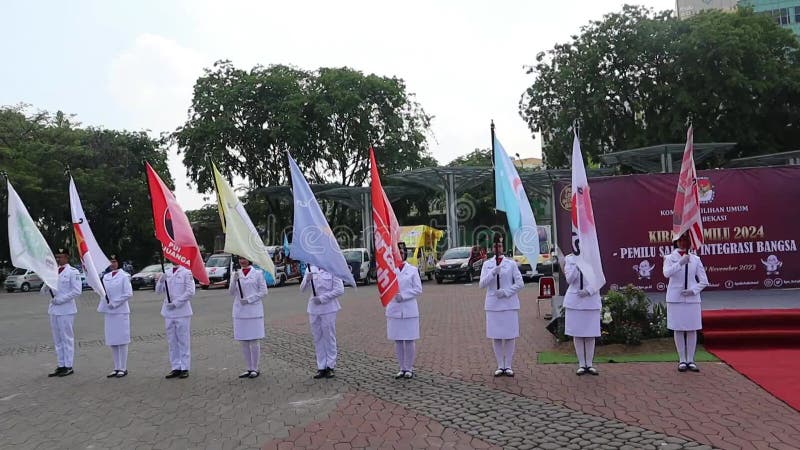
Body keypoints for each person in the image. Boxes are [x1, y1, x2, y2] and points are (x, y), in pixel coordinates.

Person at [663, 232, 709, 372]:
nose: (683, 242)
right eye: (680, 240)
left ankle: (691, 359)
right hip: (675, 298)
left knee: (691, 328)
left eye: (686, 240)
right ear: (676, 242)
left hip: (691, 299)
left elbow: (704, 281)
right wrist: (680, 263)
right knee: (678, 328)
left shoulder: (695, 259)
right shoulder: (669, 258)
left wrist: (693, 290)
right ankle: (682, 359)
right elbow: (667, 273)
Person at [479, 234, 524, 377]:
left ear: (503, 247)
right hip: (493, 304)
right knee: (496, 336)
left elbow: (520, 283)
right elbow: (482, 284)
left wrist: (505, 292)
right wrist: (493, 272)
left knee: (510, 336)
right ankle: (500, 365)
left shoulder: (511, 264)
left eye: (499, 246)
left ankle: (508, 365)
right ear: (492, 248)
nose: (497, 248)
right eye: (495, 246)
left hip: (508, 303)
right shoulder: (487, 264)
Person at [41, 248, 82, 377]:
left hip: (66, 309)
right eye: (57, 257)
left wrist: (61, 300)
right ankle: (61, 364)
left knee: (66, 338)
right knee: (57, 339)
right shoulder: (53, 272)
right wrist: (46, 283)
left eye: (61, 257)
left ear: (67, 257)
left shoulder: (72, 272)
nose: (58, 259)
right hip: (54, 310)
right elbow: (43, 292)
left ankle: (68, 365)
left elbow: (77, 291)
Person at [386, 242, 423, 379]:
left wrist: (405, 296)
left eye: (401, 252)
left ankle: (409, 368)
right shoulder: (389, 270)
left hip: (409, 309)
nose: (399, 254)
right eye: (397, 252)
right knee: (398, 340)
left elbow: (418, 289)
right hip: (394, 308)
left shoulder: (412, 270)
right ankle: (401, 367)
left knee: (409, 340)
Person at [300, 264, 344, 379]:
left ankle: (330, 366)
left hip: (328, 308)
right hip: (314, 307)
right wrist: (307, 279)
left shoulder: (332, 268)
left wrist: (323, 298)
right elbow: (302, 290)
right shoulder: (310, 268)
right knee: (317, 337)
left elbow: (340, 289)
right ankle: (321, 366)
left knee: (329, 336)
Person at [229, 256, 268, 379]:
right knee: (244, 341)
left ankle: (255, 368)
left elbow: (264, 291)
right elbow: (231, 292)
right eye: (240, 259)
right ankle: (249, 367)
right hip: (240, 311)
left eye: (244, 259)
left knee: (254, 340)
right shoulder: (235, 273)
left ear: (249, 259)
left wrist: (250, 299)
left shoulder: (257, 273)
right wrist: (234, 281)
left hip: (253, 311)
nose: (242, 261)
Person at [563, 254, 601, 375]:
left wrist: (588, 290)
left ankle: (589, 364)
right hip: (575, 300)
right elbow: (569, 279)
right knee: (577, 333)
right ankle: (581, 364)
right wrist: (577, 266)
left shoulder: (593, 256)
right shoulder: (569, 259)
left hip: (590, 299)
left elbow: (600, 279)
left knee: (590, 333)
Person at [156, 264, 195, 379]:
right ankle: (175, 367)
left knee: (183, 340)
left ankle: (185, 367)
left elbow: (190, 292)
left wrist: (176, 303)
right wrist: (160, 281)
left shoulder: (186, 273)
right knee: (172, 341)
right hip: (168, 311)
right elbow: (158, 291)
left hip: (182, 311)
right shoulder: (167, 272)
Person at [99, 255, 133, 378]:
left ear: (119, 262)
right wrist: (105, 304)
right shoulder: (106, 277)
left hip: (121, 311)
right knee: (112, 340)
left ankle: (123, 368)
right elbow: (103, 294)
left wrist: (115, 303)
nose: (112, 264)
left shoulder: (124, 276)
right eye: (110, 262)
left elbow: (128, 293)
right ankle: (116, 367)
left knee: (122, 340)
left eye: (114, 261)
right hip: (110, 312)